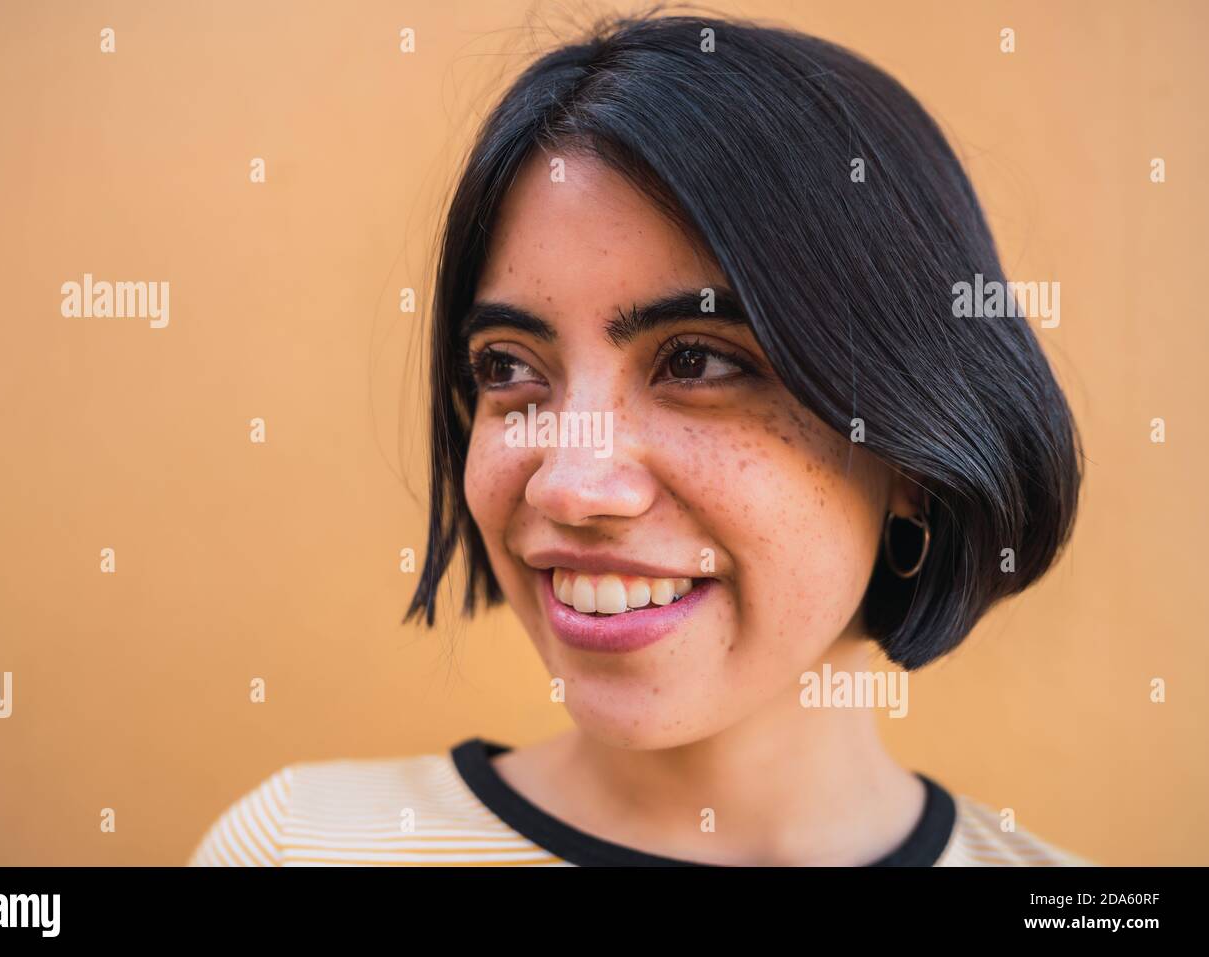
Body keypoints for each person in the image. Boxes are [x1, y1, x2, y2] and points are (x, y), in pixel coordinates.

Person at [189, 11, 1088, 867]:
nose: (569, 485)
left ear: (914, 452)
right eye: (508, 368)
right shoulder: (302, 846)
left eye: (694, 361)